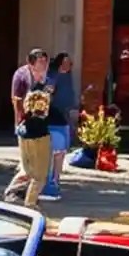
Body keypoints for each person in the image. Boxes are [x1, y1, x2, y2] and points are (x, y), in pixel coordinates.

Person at [3, 48, 52, 204]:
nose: (44, 64)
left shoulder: (46, 77)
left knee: (34, 170)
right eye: (40, 61)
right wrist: (19, 121)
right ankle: (27, 202)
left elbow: (49, 96)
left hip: (42, 127)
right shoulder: (22, 75)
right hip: (27, 127)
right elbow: (16, 100)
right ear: (31, 63)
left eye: (46, 60)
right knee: (34, 171)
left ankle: (18, 194)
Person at [42, 52, 77, 199]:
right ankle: (48, 184)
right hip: (53, 119)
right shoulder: (52, 77)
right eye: (66, 62)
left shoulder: (68, 77)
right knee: (54, 153)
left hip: (64, 119)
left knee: (61, 152)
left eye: (70, 63)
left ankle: (56, 180)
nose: (68, 65)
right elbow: (46, 95)